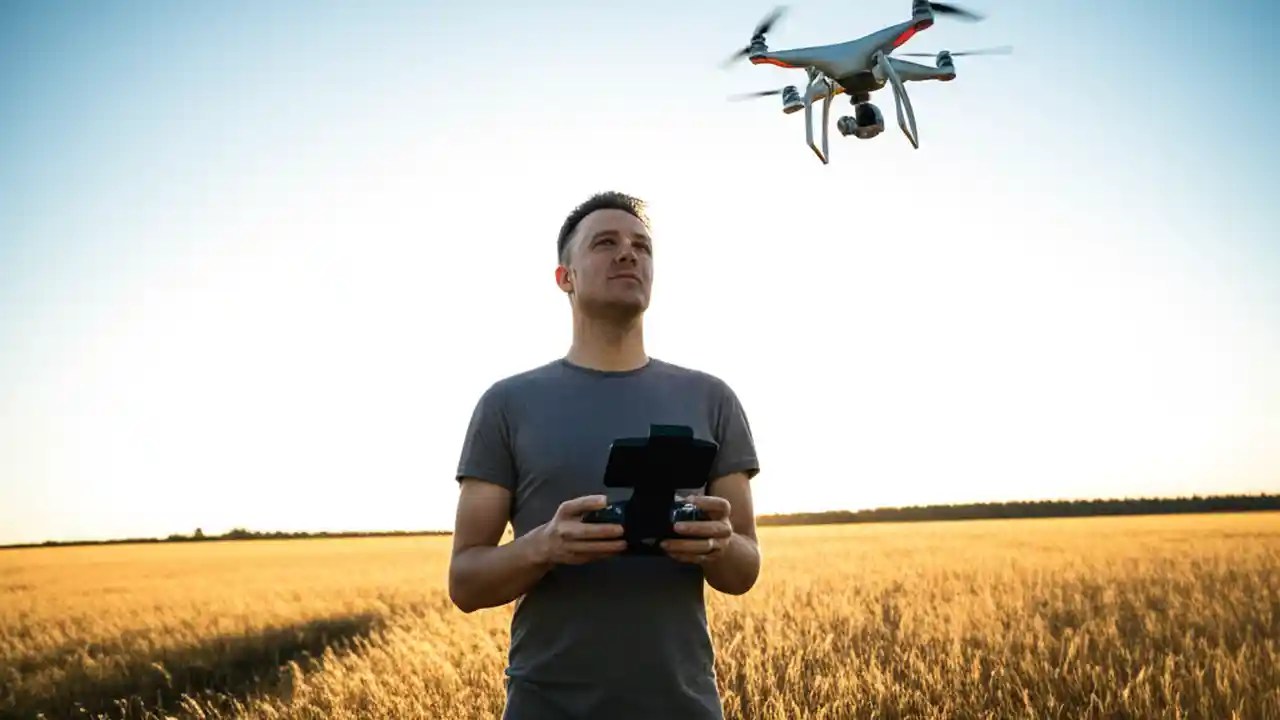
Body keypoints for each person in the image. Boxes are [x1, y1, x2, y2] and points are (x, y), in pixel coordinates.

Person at [447, 190, 762, 719]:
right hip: (546, 707)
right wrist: (544, 546)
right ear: (564, 277)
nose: (628, 253)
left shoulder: (713, 398)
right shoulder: (507, 403)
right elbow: (465, 581)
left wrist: (717, 542)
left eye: (642, 245)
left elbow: (744, 569)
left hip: (682, 707)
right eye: (605, 243)